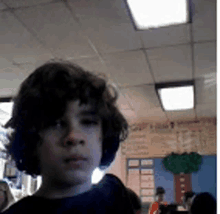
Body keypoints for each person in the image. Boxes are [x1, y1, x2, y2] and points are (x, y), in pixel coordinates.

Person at [1, 60, 135, 214]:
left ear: (104, 134)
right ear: (30, 139)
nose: (74, 137)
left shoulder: (114, 194)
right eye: (56, 124)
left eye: (88, 122)